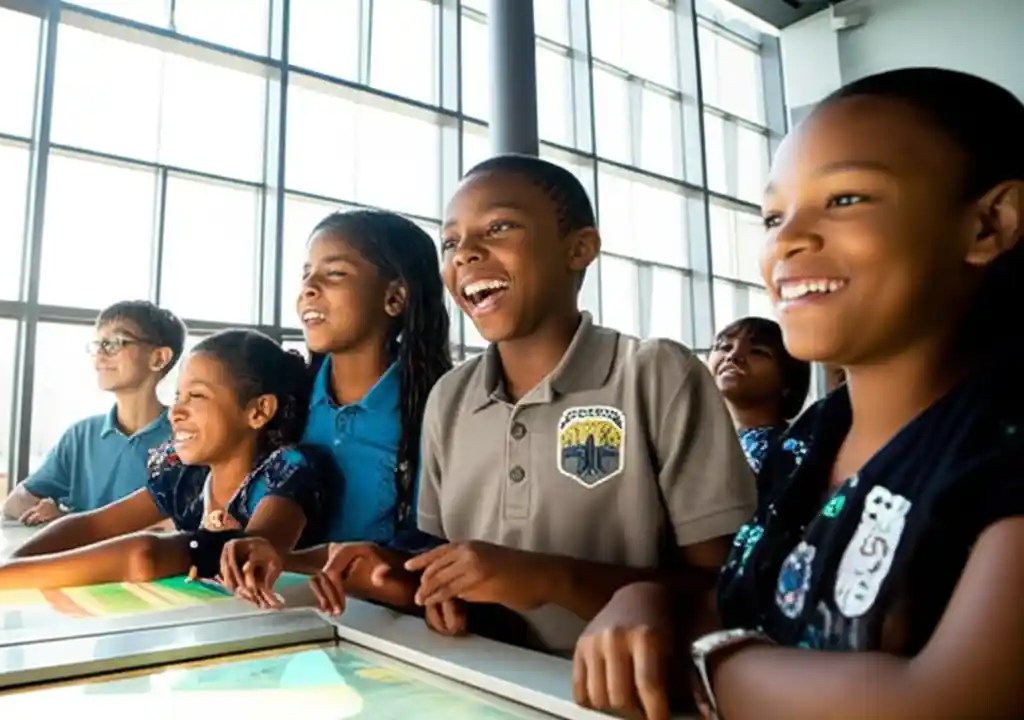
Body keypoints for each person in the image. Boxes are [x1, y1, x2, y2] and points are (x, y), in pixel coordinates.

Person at [577, 68, 1024, 720]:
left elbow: (948, 702)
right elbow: (752, 601)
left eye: (845, 199)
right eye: (772, 215)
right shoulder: (811, 438)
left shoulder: (1004, 436)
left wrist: (704, 660)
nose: (786, 239)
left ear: (989, 224)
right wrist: (646, 602)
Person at [281, 156, 756, 660]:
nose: (466, 254)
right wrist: (396, 572)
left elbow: (727, 592)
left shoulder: (656, 375)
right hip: (478, 682)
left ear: (579, 248)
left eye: (499, 227)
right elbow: (449, 569)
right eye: (451, 242)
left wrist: (550, 577)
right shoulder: (451, 398)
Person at [0, 329, 324, 590]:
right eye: (179, 396)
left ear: (258, 411)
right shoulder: (185, 479)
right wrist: (4, 562)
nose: (176, 412)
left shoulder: (287, 471)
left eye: (197, 396)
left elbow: (150, 556)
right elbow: (91, 525)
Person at [215, 210, 460, 628]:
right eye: (306, 274)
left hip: (394, 629)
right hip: (275, 614)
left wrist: (293, 562)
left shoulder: (442, 407)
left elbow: (431, 551)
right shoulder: (286, 400)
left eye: (334, 274)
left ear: (394, 298)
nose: (309, 289)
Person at [3, 301, 185, 525]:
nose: (99, 356)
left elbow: (170, 528)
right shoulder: (81, 435)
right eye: (97, 345)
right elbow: (17, 501)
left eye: (114, 344)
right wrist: (50, 518)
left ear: (158, 358)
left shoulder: (183, 438)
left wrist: (73, 523)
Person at [707, 316, 810, 474]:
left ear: (788, 380)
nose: (733, 356)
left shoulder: (793, 450)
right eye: (725, 347)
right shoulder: (701, 440)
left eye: (757, 352)